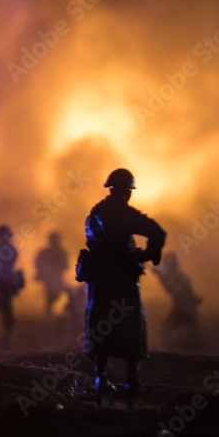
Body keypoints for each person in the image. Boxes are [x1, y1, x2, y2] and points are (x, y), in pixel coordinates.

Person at [78, 168, 165, 409]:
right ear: (127, 191)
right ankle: (132, 381)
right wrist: (150, 254)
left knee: (100, 326)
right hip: (123, 281)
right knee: (129, 327)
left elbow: (92, 243)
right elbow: (157, 232)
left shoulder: (94, 214)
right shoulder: (125, 214)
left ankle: (101, 378)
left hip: (100, 282)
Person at [0, 225, 24, 348]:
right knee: (4, 308)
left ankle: (7, 336)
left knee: (5, 309)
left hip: (3, 282)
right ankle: (7, 336)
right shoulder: (9, 249)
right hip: (5, 282)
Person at [151, 251, 202, 345]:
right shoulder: (177, 275)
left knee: (168, 327)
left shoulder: (179, 277)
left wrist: (163, 278)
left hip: (184, 308)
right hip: (184, 307)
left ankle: (164, 347)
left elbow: (177, 290)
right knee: (188, 327)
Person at [35, 231, 69, 315]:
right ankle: (48, 311)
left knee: (57, 293)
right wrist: (43, 271)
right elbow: (38, 262)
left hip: (57, 276)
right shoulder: (44, 252)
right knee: (49, 293)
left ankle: (48, 309)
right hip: (47, 277)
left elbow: (65, 263)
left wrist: (59, 269)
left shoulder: (62, 252)